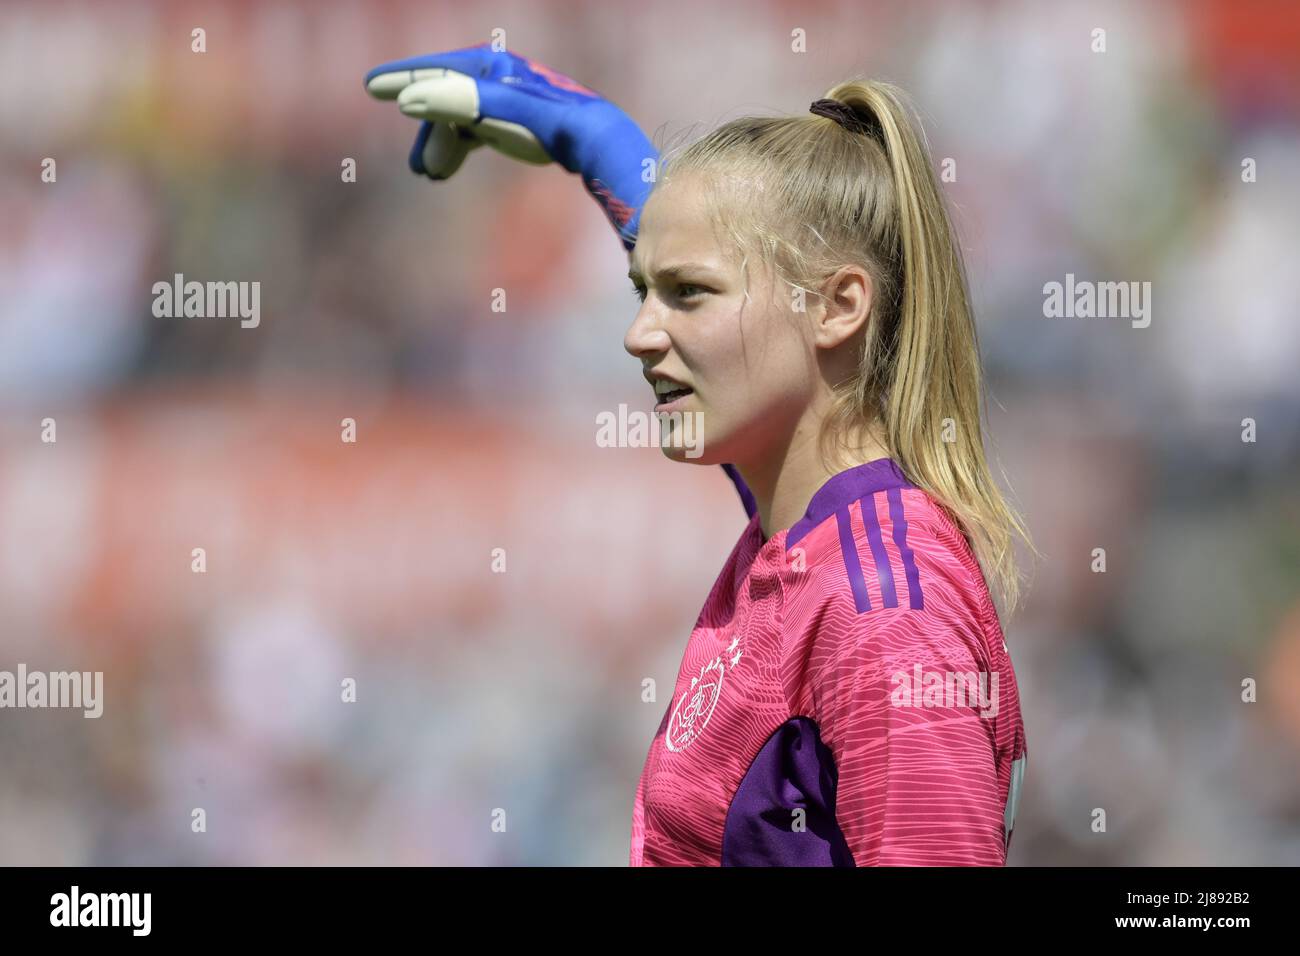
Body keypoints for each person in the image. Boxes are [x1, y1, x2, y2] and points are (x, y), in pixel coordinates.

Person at [366, 44, 1031, 866]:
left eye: (687, 294)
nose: (639, 334)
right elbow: (723, 262)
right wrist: (596, 140)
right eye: (643, 291)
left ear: (837, 306)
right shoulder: (811, 519)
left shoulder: (885, 609)